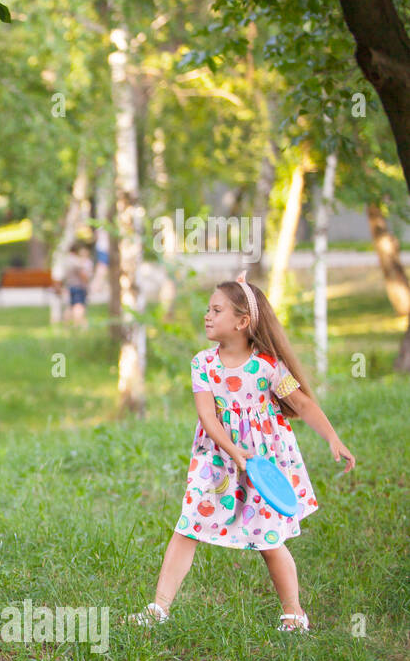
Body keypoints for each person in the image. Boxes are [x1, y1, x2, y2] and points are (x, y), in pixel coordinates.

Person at [130, 271, 355, 632]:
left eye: (216, 310)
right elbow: (207, 415)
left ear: (242, 322)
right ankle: (158, 608)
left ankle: (294, 613)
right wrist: (234, 453)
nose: (207, 315)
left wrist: (332, 438)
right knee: (187, 527)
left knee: (269, 540)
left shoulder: (268, 365)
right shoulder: (203, 363)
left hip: (262, 464)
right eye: (208, 308)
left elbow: (302, 403)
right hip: (217, 461)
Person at [63, 240, 93, 329]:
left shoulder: (67, 260)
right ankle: (77, 325)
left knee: (71, 306)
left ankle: (67, 325)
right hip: (78, 285)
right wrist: (87, 282)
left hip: (70, 285)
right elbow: (82, 274)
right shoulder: (75, 261)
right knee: (78, 306)